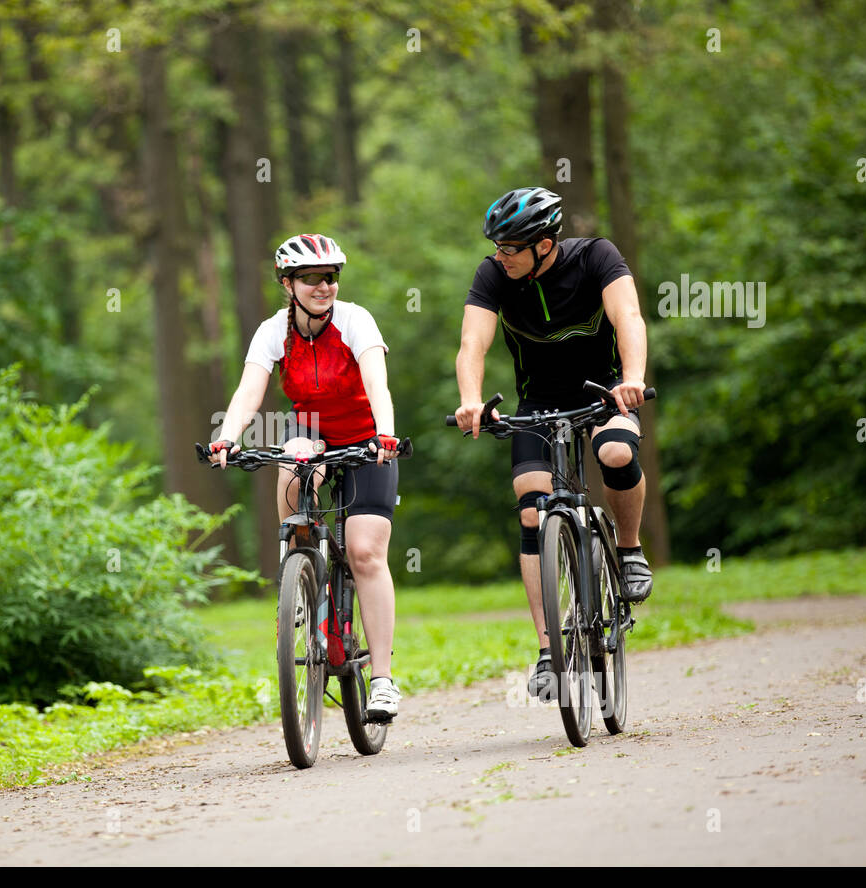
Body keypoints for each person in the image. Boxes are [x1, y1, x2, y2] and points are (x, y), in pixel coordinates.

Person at [452, 187, 653, 702]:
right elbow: (473, 341)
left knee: (615, 452)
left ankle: (628, 552)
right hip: (537, 402)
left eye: (510, 247)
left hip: (602, 390)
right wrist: (472, 400)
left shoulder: (596, 257)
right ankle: (549, 652)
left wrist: (631, 377)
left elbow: (628, 316)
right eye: (497, 247)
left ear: (544, 245)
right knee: (531, 507)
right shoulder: (494, 274)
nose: (500, 256)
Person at [211, 233, 404, 720]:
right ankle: (298, 575)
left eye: (331, 276)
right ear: (288, 282)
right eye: (312, 278)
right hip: (311, 431)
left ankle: (381, 679)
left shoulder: (355, 320)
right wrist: (227, 437)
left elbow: (377, 384)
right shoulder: (274, 330)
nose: (324, 286)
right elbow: (249, 391)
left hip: (364, 436)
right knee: (291, 468)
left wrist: (385, 434)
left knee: (364, 551)